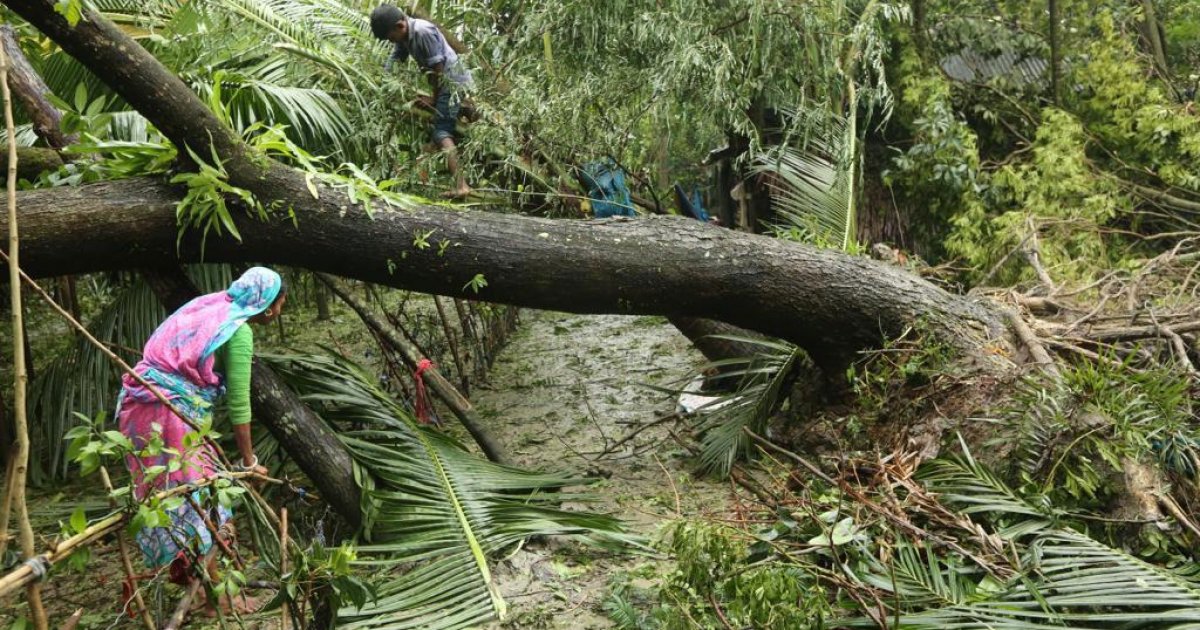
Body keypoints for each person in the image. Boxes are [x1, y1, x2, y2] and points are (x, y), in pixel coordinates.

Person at [117, 267, 286, 613]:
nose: (279, 311)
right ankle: (217, 599)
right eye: (281, 305)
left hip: (138, 408)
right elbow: (239, 405)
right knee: (199, 499)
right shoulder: (237, 331)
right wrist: (250, 462)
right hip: (168, 415)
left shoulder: (210, 306)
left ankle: (206, 589)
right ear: (269, 306)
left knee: (179, 499)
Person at [371, 3, 473, 198]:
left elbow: (439, 71)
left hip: (452, 83)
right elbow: (397, 57)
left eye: (391, 38)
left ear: (400, 26)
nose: (392, 42)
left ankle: (462, 186)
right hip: (445, 82)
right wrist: (380, 78)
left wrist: (433, 98)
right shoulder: (405, 35)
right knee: (436, 134)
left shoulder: (422, 31)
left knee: (441, 132)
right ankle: (419, 175)